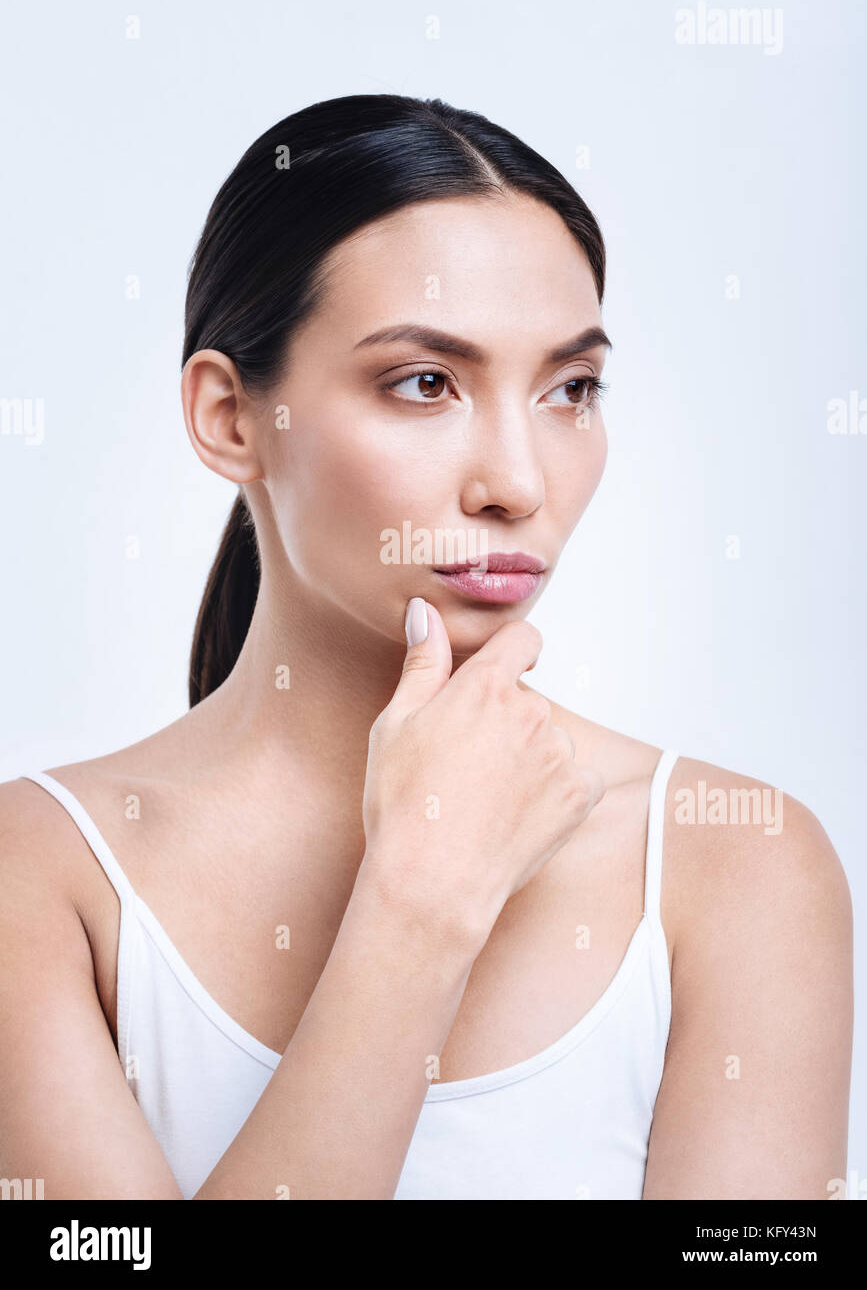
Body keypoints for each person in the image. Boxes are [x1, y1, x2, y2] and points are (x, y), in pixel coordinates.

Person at [0, 95, 852, 1200]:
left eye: (570, 390)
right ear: (230, 417)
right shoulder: (40, 879)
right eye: (426, 383)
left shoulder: (735, 865)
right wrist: (417, 903)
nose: (519, 483)